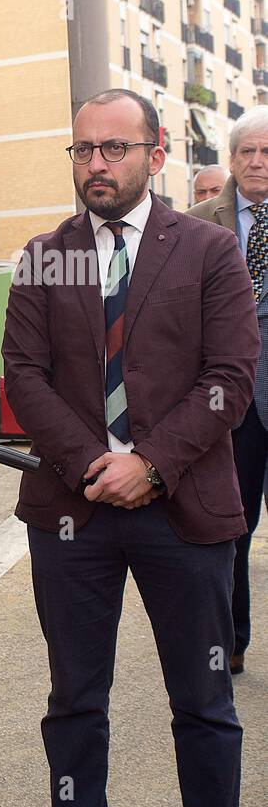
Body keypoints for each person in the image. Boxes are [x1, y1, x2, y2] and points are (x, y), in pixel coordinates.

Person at [3, 88, 257, 807]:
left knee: (204, 703)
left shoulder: (209, 250)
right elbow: (24, 373)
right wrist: (94, 462)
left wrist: (148, 463)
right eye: (82, 149)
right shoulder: (45, 258)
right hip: (71, 513)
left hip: (183, 508)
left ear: (157, 151)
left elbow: (231, 376)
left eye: (113, 148)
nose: (95, 164)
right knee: (76, 703)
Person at [188, 110, 268, 675]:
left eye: (266, 152)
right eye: (247, 152)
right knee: (230, 526)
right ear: (232, 158)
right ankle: (229, 642)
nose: (257, 162)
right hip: (228, 405)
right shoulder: (196, 223)